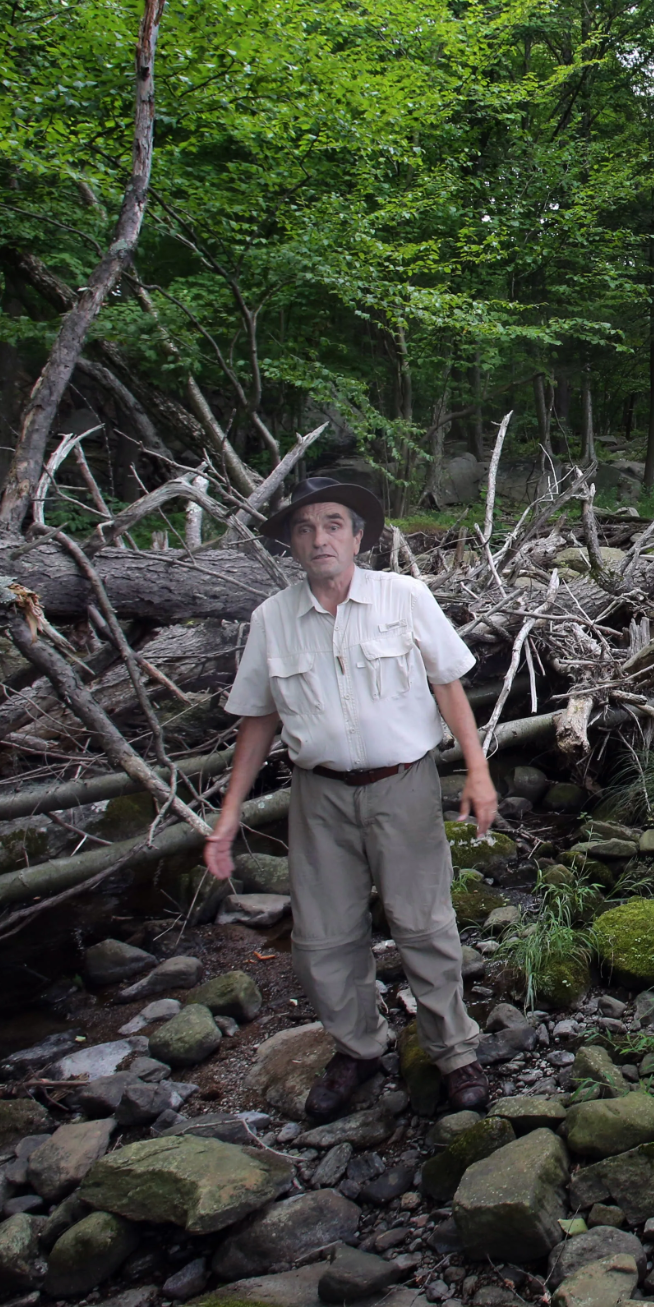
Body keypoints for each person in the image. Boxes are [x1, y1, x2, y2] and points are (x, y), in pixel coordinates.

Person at [207, 476, 501, 1121]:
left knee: (423, 924)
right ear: (290, 543)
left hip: (404, 784)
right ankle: (358, 1048)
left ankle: (453, 1051)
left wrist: (477, 773)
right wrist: (229, 814)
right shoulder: (272, 619)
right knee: (322, 939)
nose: (320, 539)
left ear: (358, 536)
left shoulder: (404, 597)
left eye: (333, 524)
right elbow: (257, 719)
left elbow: (449, 685)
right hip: (318, 796)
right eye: (306, 528)